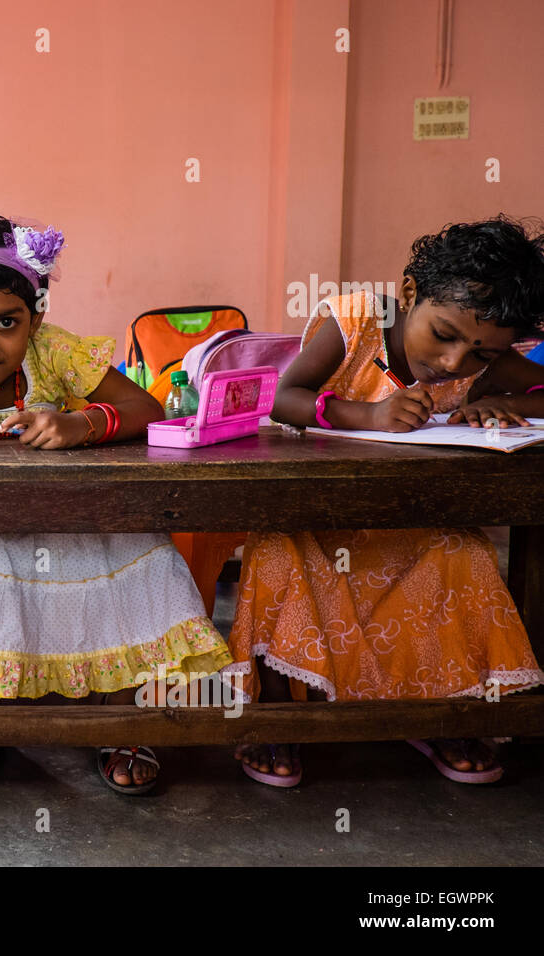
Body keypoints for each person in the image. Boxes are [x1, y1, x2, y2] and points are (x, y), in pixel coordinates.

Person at [0, 211, 233, 793]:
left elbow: (147, 411)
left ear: (36, 319)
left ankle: (123, 717)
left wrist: (79, 424)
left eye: (6, 323)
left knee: (144, 562)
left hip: (83, 515)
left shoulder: (57, 354)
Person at [228, 216, 544, 787]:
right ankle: (277, 714)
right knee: (275, 553)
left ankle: (444, 708)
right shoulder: (355, 320)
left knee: (462, 552)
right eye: (443, 334)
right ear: (407, 294)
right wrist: (365, 415)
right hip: (315, 521)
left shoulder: (480, 365)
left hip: (412, 527)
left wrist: (496, 395)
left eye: (482, 356)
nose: (453, 364)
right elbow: (284, 397)